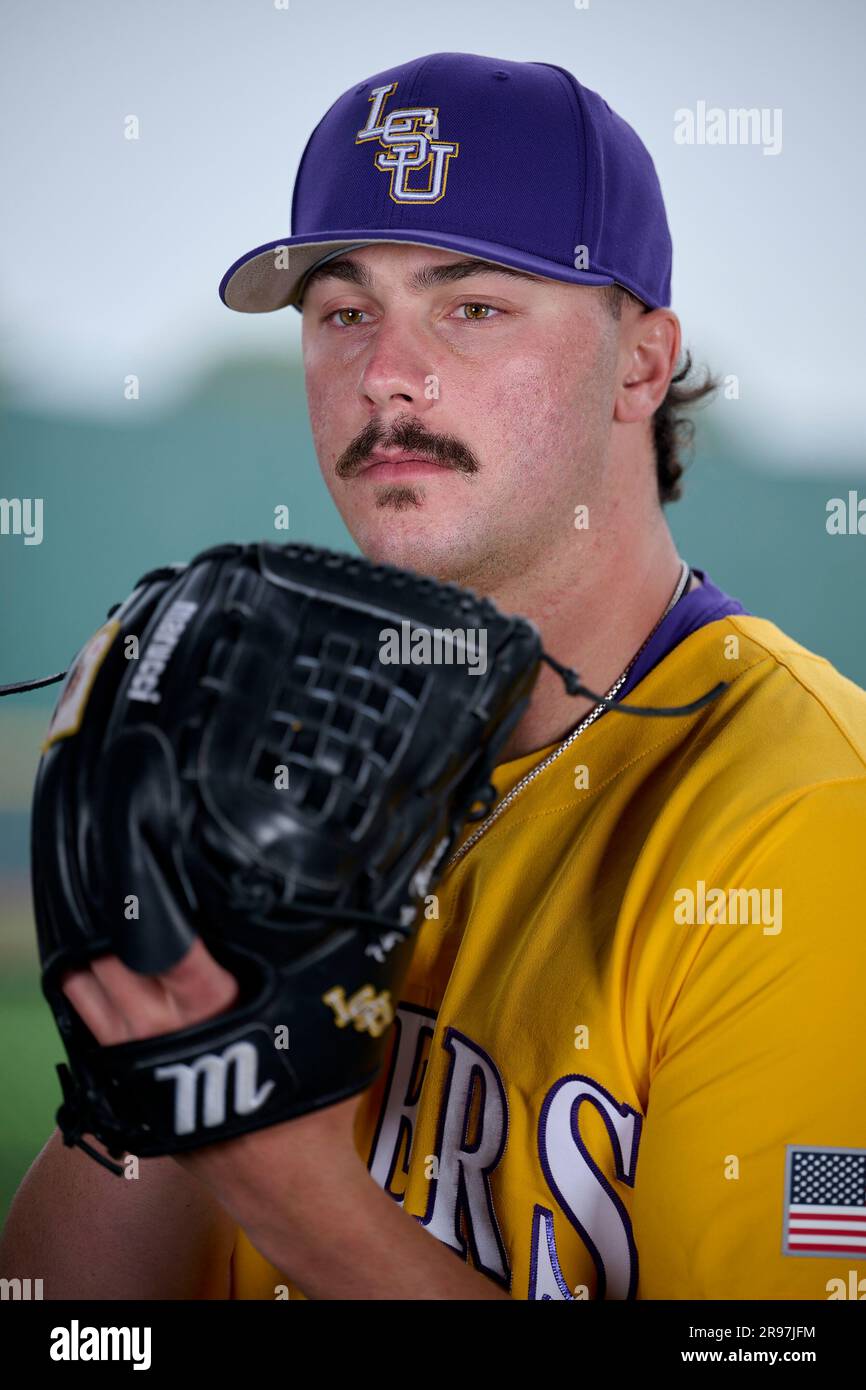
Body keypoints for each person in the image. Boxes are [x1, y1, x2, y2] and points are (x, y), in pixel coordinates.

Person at [3, 51, 865, 1302]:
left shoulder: (807, 817)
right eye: (344, 312)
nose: (385, 376)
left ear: (640, 362)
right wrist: (163, 1053)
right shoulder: (297, 761)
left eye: (470, 306)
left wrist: (287, 1185)